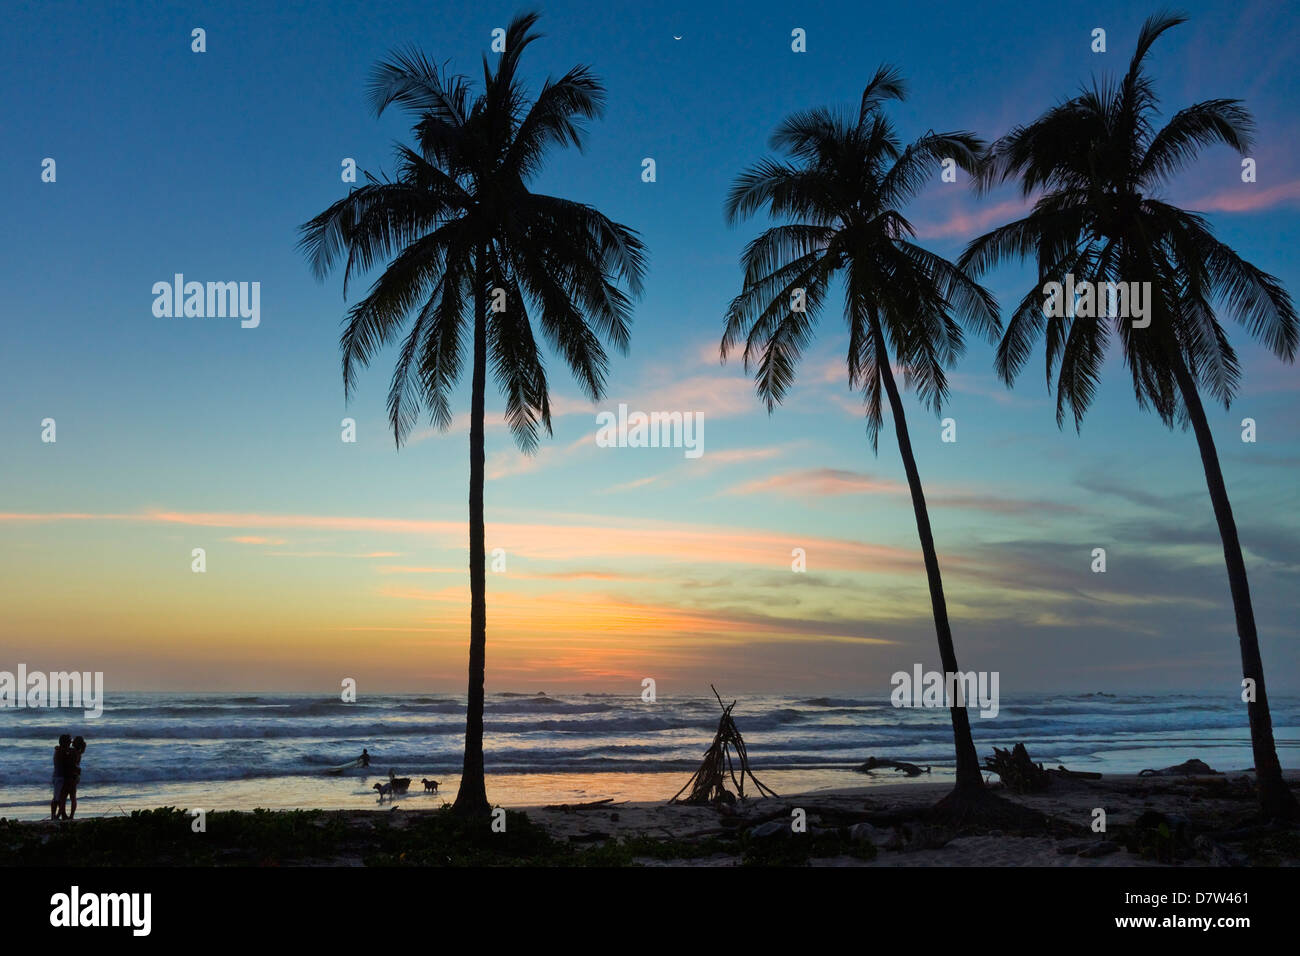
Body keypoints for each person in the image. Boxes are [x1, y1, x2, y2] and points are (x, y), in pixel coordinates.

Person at [62, 737, 86, 819]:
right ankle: (71, 815)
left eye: (73, 741)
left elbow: (70, 763)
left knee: (64, 796)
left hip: (70, 775)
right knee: (73, 797)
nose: (72, 742)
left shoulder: (73, 752)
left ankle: (64, 814)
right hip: (75, 775)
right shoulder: (79, 752)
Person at [50, 735, 71, 821]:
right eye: (69, 742)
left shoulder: (60, 750)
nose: (70, 744)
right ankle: (53, 815)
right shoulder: (60, 752)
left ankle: (61, 814)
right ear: (65, 743)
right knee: (57, 798)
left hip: (58, 776)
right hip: (59, 777)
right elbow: (65, 763)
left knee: (60, 797)